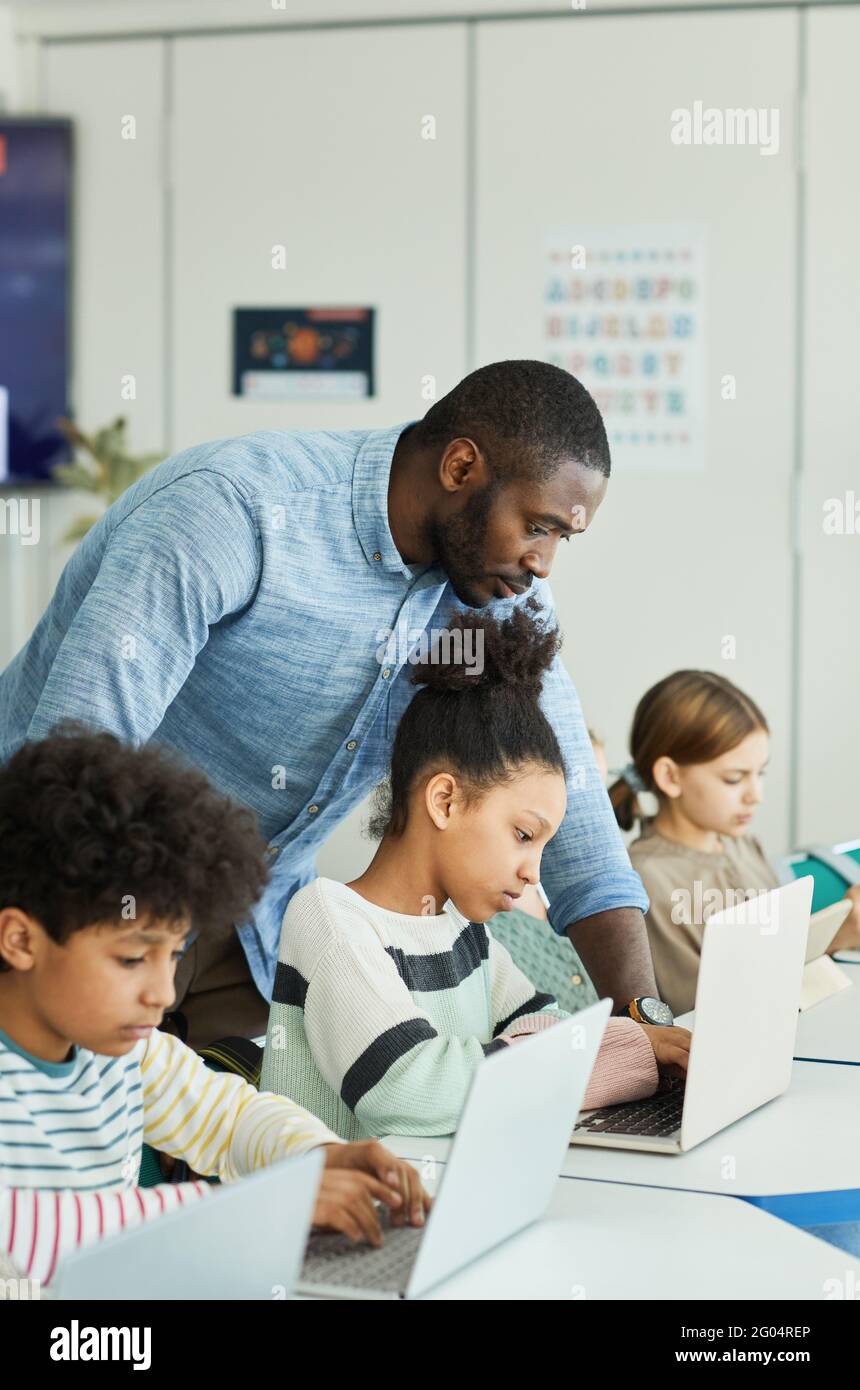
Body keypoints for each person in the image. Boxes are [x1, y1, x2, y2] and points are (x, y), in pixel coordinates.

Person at [0, 362, 660, 1046]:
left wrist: (643, 1021)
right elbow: (74, 755)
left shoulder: (497, 590)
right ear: (461, 467)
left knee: (242, 1139)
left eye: (561, 538)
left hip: (248, 924)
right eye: (537, 527)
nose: (544, 563)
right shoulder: (232, 510)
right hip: (69, 895)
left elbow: (575, 803)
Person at [0, 727, 429, 1285]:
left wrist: (315, 1156)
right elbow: (21, 1229)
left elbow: (230, 1120)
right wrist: (265, 1207)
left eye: (173, 954)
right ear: (21, 940)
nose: (162, 991)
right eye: (132, 959)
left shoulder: (126, 1052)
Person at [261, 602, 690, 1140]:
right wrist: (619, 1051)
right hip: (336, 1220)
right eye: (523, 836)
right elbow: (409, 1090)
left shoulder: (466, 933)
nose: (534, 874)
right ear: (445, 801)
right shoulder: (328, 918)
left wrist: (553, 1053)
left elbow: (545, 1023)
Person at [609, 670, 860, 1015]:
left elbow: (778, 957)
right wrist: (834, 938)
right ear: (670, 776)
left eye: (760, 774)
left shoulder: (744, 847)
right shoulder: (646, 881)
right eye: (734, 779)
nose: (756, 795)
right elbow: (707, 1012)